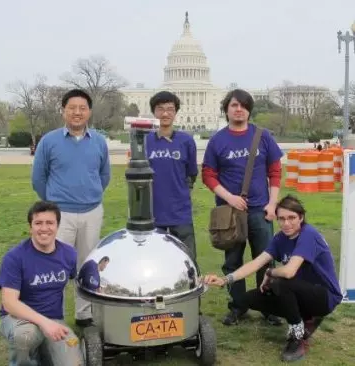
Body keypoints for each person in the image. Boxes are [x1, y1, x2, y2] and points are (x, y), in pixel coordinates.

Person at [204, 194, 343, 362]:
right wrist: (225, 280)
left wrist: (270, 273)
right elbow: (256, 263)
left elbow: (289, 272)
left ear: (301, 217)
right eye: (282, 219)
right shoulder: (280, 238)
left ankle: (297, 336)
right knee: (249, 298)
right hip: (301, 291)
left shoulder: (308, 235)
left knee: (280, 282)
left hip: (325, 297)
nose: (286, 223)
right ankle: (307, 317)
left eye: (292, 218)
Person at [202, 89, 283, 326]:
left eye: (244, 106)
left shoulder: (262, 136)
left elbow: (275, 170)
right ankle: (238, 306)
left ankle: (266, 306)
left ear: (249, 110)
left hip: (260, 209)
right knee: (233, 261)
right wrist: (229, 197)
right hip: (231, 213)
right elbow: (208, 175)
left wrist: (272, 203)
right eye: (234, 105)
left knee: (265, 260)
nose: (239, 109)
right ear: (227, 109)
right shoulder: (218, 140)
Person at [31, 89, 111, 327]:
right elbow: (39, 178)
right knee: (56, 265)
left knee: (87, 264)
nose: (77, 112)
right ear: (64, 110)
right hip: (60, 213)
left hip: (91, 211)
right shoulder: (49, 141)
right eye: (72, 108)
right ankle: (52, 316)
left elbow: (104, 175)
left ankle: (84, 314)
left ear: (89, 112)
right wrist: (55, 204)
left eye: (82, 108)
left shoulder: (98, 141)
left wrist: (90, 194)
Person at [0, 201, 84, 366]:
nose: (44, 228)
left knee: (72, 361)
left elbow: (80, 279)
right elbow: (9, 303)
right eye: (38, 223)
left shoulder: (69, 253)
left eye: (50, 223)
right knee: (26, 336)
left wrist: (97, 273)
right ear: (30, 227)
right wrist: (44, 323)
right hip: (19, 320)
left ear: (57, 226)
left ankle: (44, 354)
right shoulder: (15, 257)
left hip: (53, 321)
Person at [146, 91, 198, 260]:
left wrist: (181, 194)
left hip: (180, 212)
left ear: (176, 112)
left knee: (186, 260)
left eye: (170, 109)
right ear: (154, 112)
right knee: (155, 260)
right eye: (160, 109)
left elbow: (191, 173)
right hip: (152, 212)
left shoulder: (186, 141)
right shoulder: (145, 141)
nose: (165, 113)